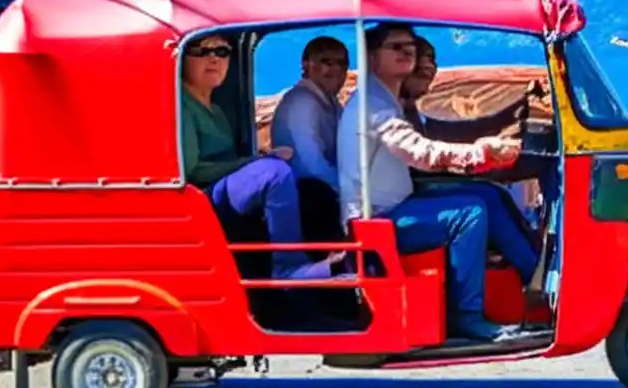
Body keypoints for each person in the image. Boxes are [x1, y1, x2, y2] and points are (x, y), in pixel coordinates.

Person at [336, 23, 523, 342]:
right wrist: (480, 153)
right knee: (470, 213)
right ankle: (467, 316)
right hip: (377, 220)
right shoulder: (374, 104)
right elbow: (419, 151)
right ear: (370, 56)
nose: (407, 51)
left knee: (483, 194)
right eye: (395, 47)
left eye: (410, 46)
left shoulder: (382, 98)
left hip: (391, 207)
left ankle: (531, 277)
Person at [180, 33, 337, 281]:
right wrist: (254, 163)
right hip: (200, 199)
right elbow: (192, 171)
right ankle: (287, 267)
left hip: (225, 189)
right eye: (201, 51)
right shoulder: (183, 107)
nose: (213, 59)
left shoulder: (216, 109)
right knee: (273, 174)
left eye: (222, 52)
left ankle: (336, 261)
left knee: (309, 187)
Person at [401, 35, 542, 285]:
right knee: (487, 196)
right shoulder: (393, 109)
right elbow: (424, 153)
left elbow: (458, 131)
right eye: (420, 66)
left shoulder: (410, 108)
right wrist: (480, 153)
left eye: (431, 63)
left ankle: (533, 259)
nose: (428, 71)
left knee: (493, 191)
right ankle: (532, 273)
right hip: (410, 191)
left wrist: (511, 113)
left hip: (417, 182)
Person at [270, 35, 350, 242]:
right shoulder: (302, 103)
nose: (335, 70)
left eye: (342, 64)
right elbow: (310, 163)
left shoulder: (331, 104)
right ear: (306, 65)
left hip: (324, 194)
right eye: (327, 62)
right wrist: (350, 191)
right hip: (308, 201)